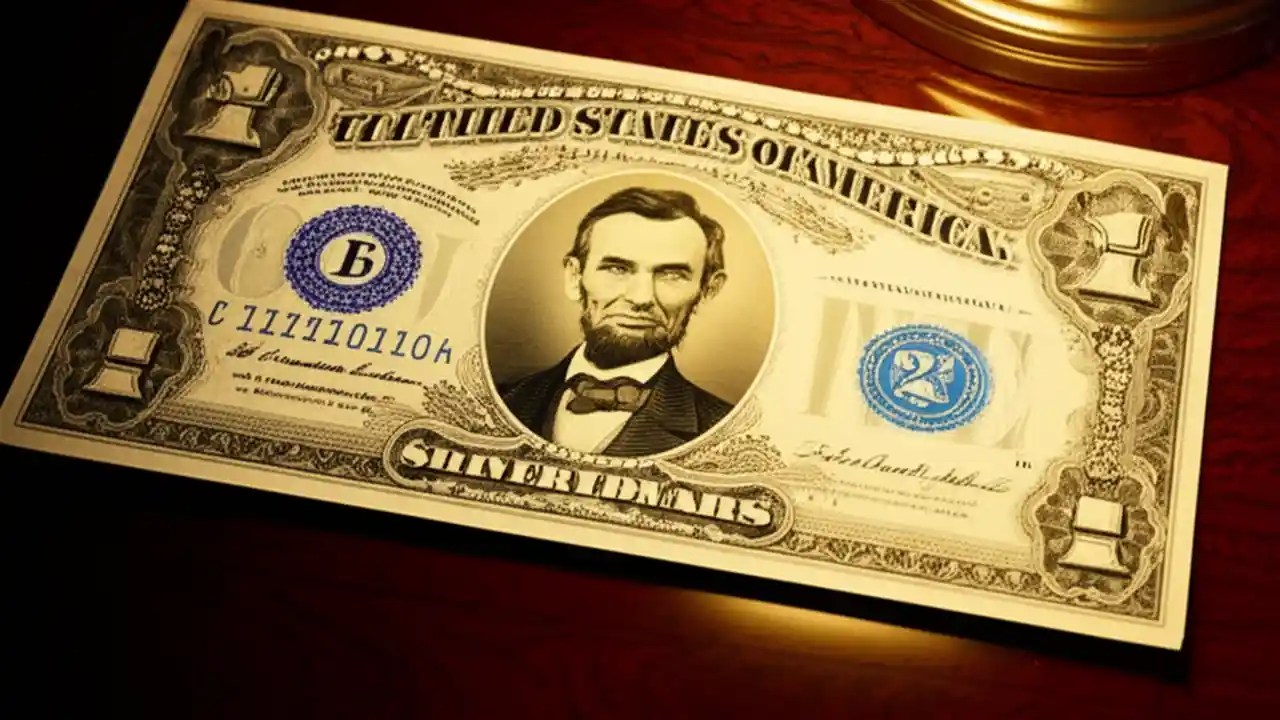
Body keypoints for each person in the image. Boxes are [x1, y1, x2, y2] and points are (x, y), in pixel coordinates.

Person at [498, 186, 734, 457]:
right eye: (617, 269)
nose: (640, 297)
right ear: (575, 278)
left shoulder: (724, 435)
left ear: (707, 290)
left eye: (671, 274)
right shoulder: (504, 400)